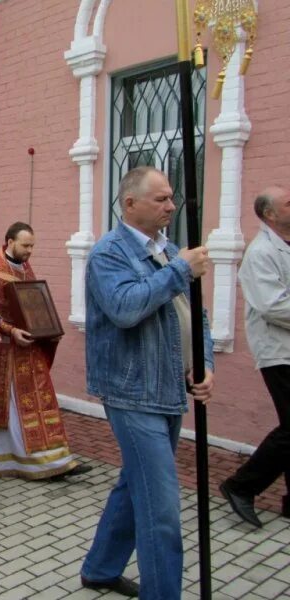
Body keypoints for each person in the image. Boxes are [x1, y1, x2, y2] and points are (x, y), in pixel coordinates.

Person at [80, 166, 214, 599]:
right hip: (132, 392)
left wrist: (204, 362)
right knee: (161, 510)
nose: (172, 206)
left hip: (169, 389)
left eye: (172, 197)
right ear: (130, 203)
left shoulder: (170, 250)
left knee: (133, 484)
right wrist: (179, 271)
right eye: (161, 199)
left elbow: (196, 315)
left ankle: (100, 569)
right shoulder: (109, 254)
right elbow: (125, 308)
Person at [0, 222, 92, 481]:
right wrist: (12, 331)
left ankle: (55, 460)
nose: (29, 251)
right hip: (7, 354)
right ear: (10, 242)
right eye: (25, 245)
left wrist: (47, 328)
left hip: (29, 348)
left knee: (41, 402)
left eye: (32, 246)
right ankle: (9, 461)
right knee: (15, 410)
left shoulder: (24, 268)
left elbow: (34, 304)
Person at [220, 187, 290, 527]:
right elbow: (272, 305)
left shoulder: (285, 245)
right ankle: (241, 486)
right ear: (270, 214)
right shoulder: (261, 252)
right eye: (289, 202)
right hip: (279, 352)